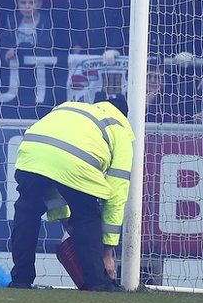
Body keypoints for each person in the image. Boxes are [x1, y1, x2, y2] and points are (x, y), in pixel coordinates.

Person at [9, 96, 132, 291]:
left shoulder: (72, 108)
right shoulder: (120, 129)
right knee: (86, 215)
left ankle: (20, 280)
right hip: (74, 162)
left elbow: (53, 175)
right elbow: (116, 196)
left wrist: (66, 221)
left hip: (31, 152)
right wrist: (107, 251)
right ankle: (98, 283)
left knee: (27, 211)